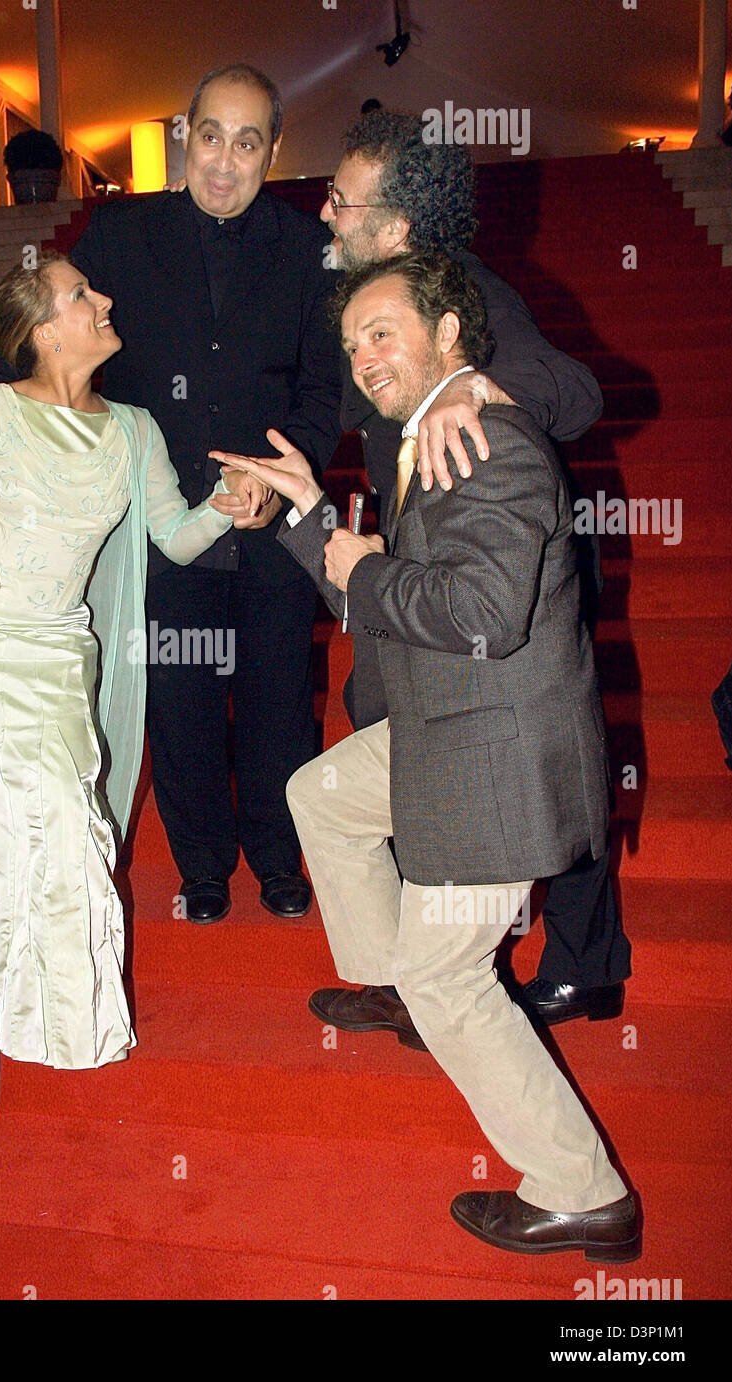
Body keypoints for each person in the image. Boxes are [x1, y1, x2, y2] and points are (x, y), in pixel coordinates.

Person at [216, 252, 640, 1260]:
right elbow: (380, 598)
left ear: (450, 332)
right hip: (451, 726)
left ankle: (584, 1191)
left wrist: (366, 567)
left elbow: (479, 615)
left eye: (384, 329)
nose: (363, 354)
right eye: (353, 338)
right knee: (321, 792)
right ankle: (391, 980)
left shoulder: (481, 441)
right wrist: (303, 514)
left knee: (452, 978)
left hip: (498, 763)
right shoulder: (427, 437)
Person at [0, 64, 344, 927]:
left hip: (274, 520)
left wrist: (282, 473)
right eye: (211, 135)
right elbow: (35, 337)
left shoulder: (305, 252)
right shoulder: (122, 236)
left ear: (272, 150)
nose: (224, 159)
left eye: (248, 142)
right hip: (163, 514)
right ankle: (203, 864)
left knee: (279, 694)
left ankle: (279, 856)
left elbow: (324, 391)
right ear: (185, 135)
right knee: (179, 700)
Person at [316, 108, 629, 1030]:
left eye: (342, 200)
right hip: (424, 580)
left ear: (398, 225)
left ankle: (582, 965)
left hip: (506, 578)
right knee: (390, 736)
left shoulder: (473, 295)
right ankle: (423, 970)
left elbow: (578, 392)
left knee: (537, 773)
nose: (325, 213)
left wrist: (469, 381)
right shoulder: (371, 306)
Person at [0, 254, 267, 1069]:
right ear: (43, 331)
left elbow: (174, 536)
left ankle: (13, 990)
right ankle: (61, 1028)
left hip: (60, 650)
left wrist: (226, 506)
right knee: (45, 828)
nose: (104, 299)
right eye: (82, 295)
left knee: (72, 830)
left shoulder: (135, 428)